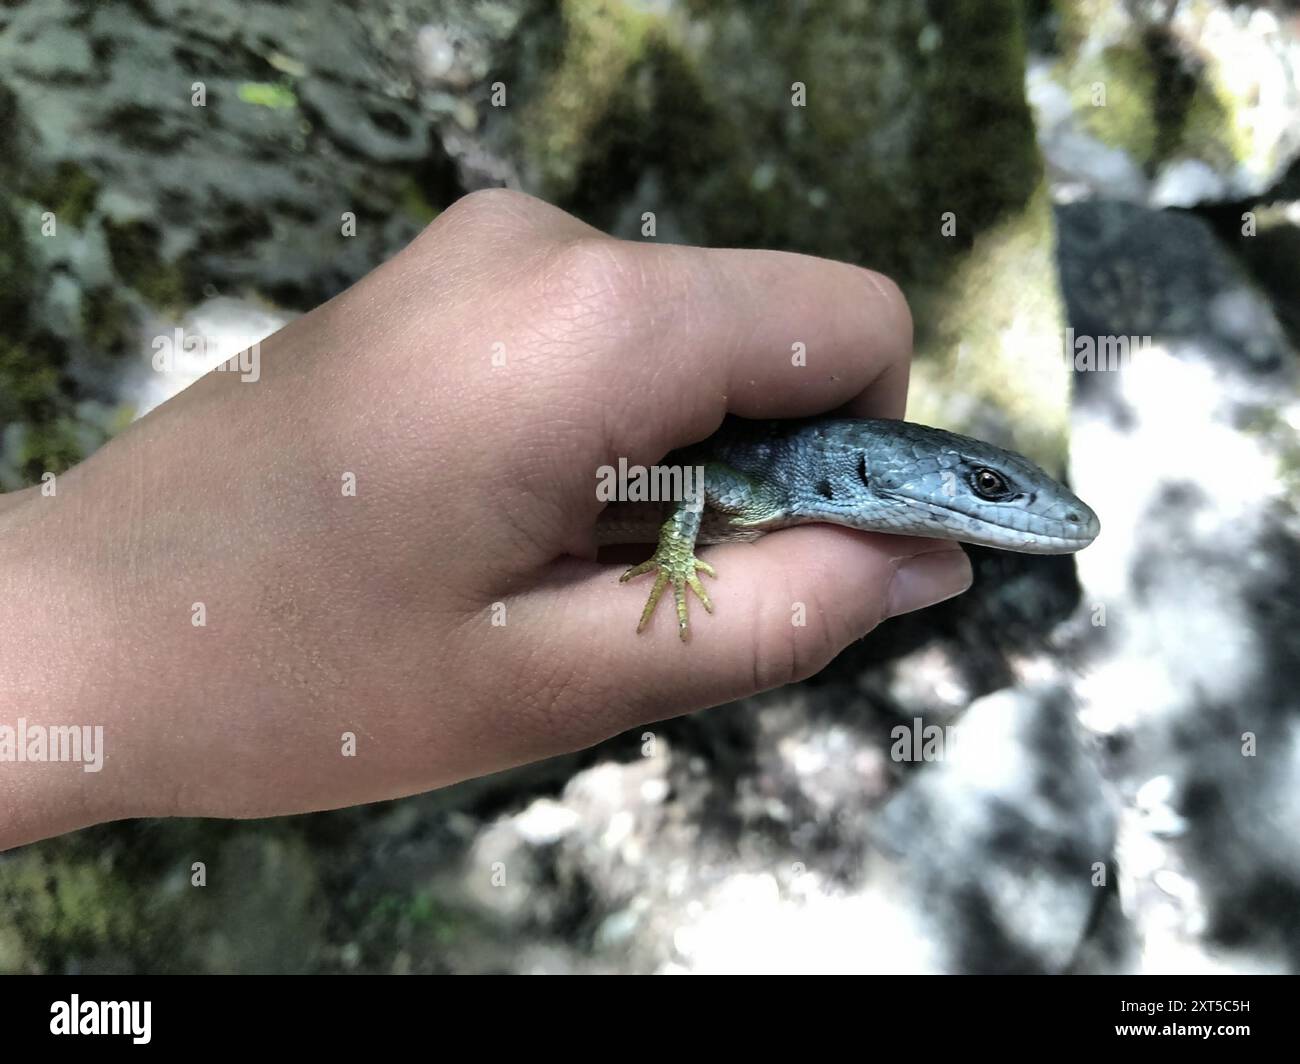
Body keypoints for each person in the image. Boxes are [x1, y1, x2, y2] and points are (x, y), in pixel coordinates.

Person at [0, 189, 971, 850]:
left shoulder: (819, 477)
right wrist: (676, 562)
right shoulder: (773, 491)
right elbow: (689, 491)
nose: (986, 510)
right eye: (985, 490)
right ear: (878, 467)